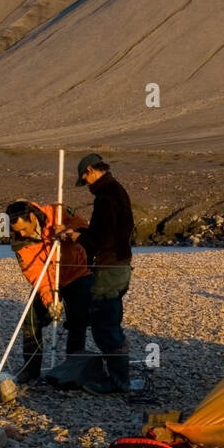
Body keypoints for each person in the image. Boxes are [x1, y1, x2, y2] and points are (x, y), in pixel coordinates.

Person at [54, 153, 135, 394]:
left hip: (109, 266)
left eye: (85, 179)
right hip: (119, 264)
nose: (86, 184)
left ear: (90, 170)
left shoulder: (106, 196)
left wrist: (76, 236)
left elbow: (103, 239)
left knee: (104, 323)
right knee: (111, 321)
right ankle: (119, 376)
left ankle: (118, 382)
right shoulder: (115, 191)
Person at [6, 200, 91, 385]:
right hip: (48, 278)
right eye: (16, 230)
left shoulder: (57, 212)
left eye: (24, 228)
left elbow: (85, 227)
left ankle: (72, 370)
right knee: (30, 320)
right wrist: (50, 299)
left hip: (78, 273)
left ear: (32, 217)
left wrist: (68, 231)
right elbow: (35, 273)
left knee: (77, 323)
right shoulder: (18, 239)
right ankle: (30, 369)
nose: (21, 233)